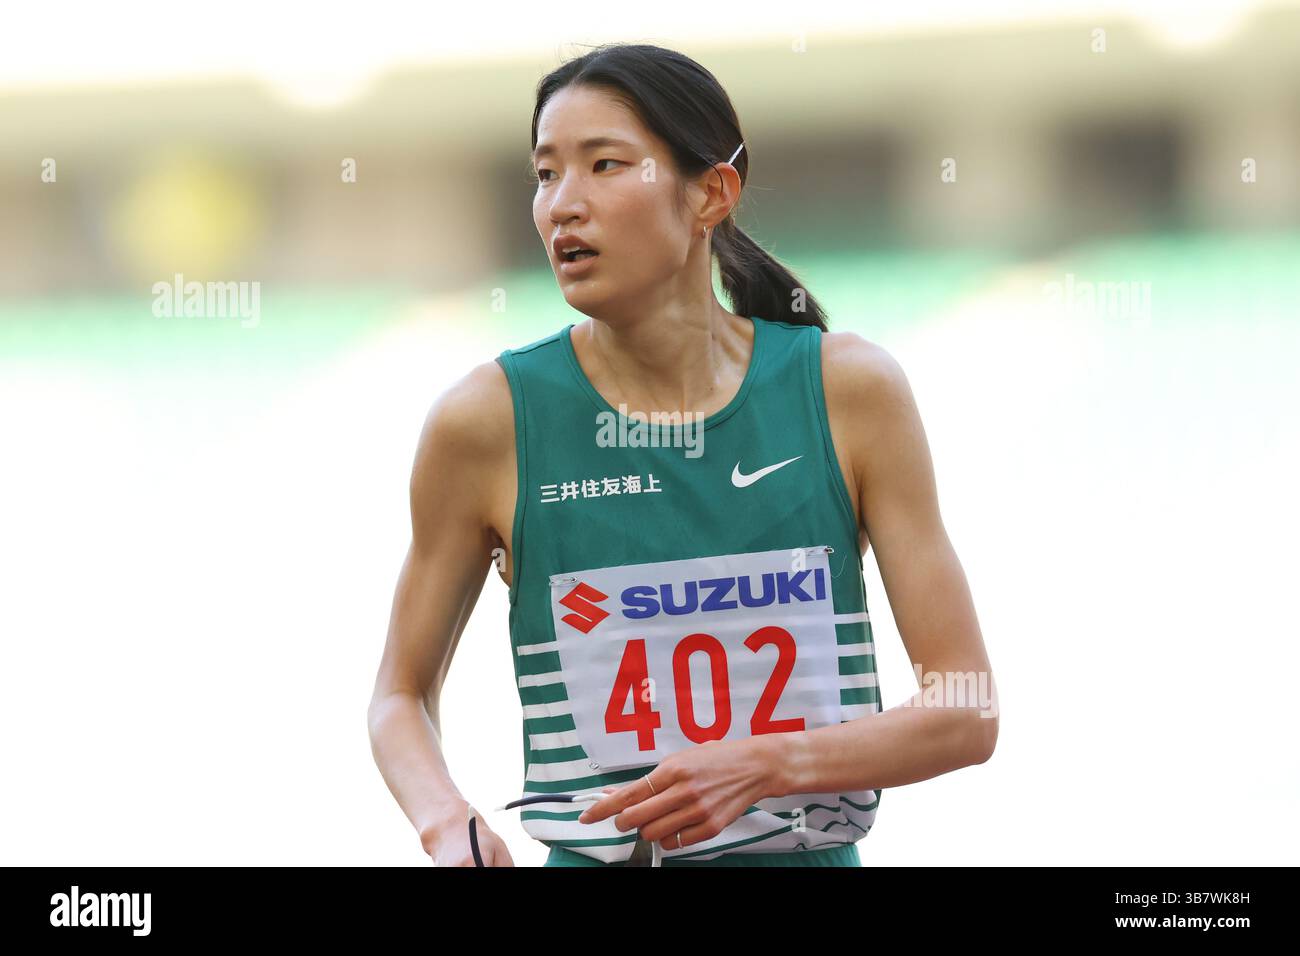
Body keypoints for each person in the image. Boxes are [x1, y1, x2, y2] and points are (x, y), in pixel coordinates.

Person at [367, 42, 998, 867]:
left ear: (710, 193)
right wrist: (446, 819)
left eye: (604, 165)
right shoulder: (486, 422)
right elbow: (399, 696)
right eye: (545, 174)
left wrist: (769, 762)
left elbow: (966, 707)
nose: (563, 205)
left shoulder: (848, 392)